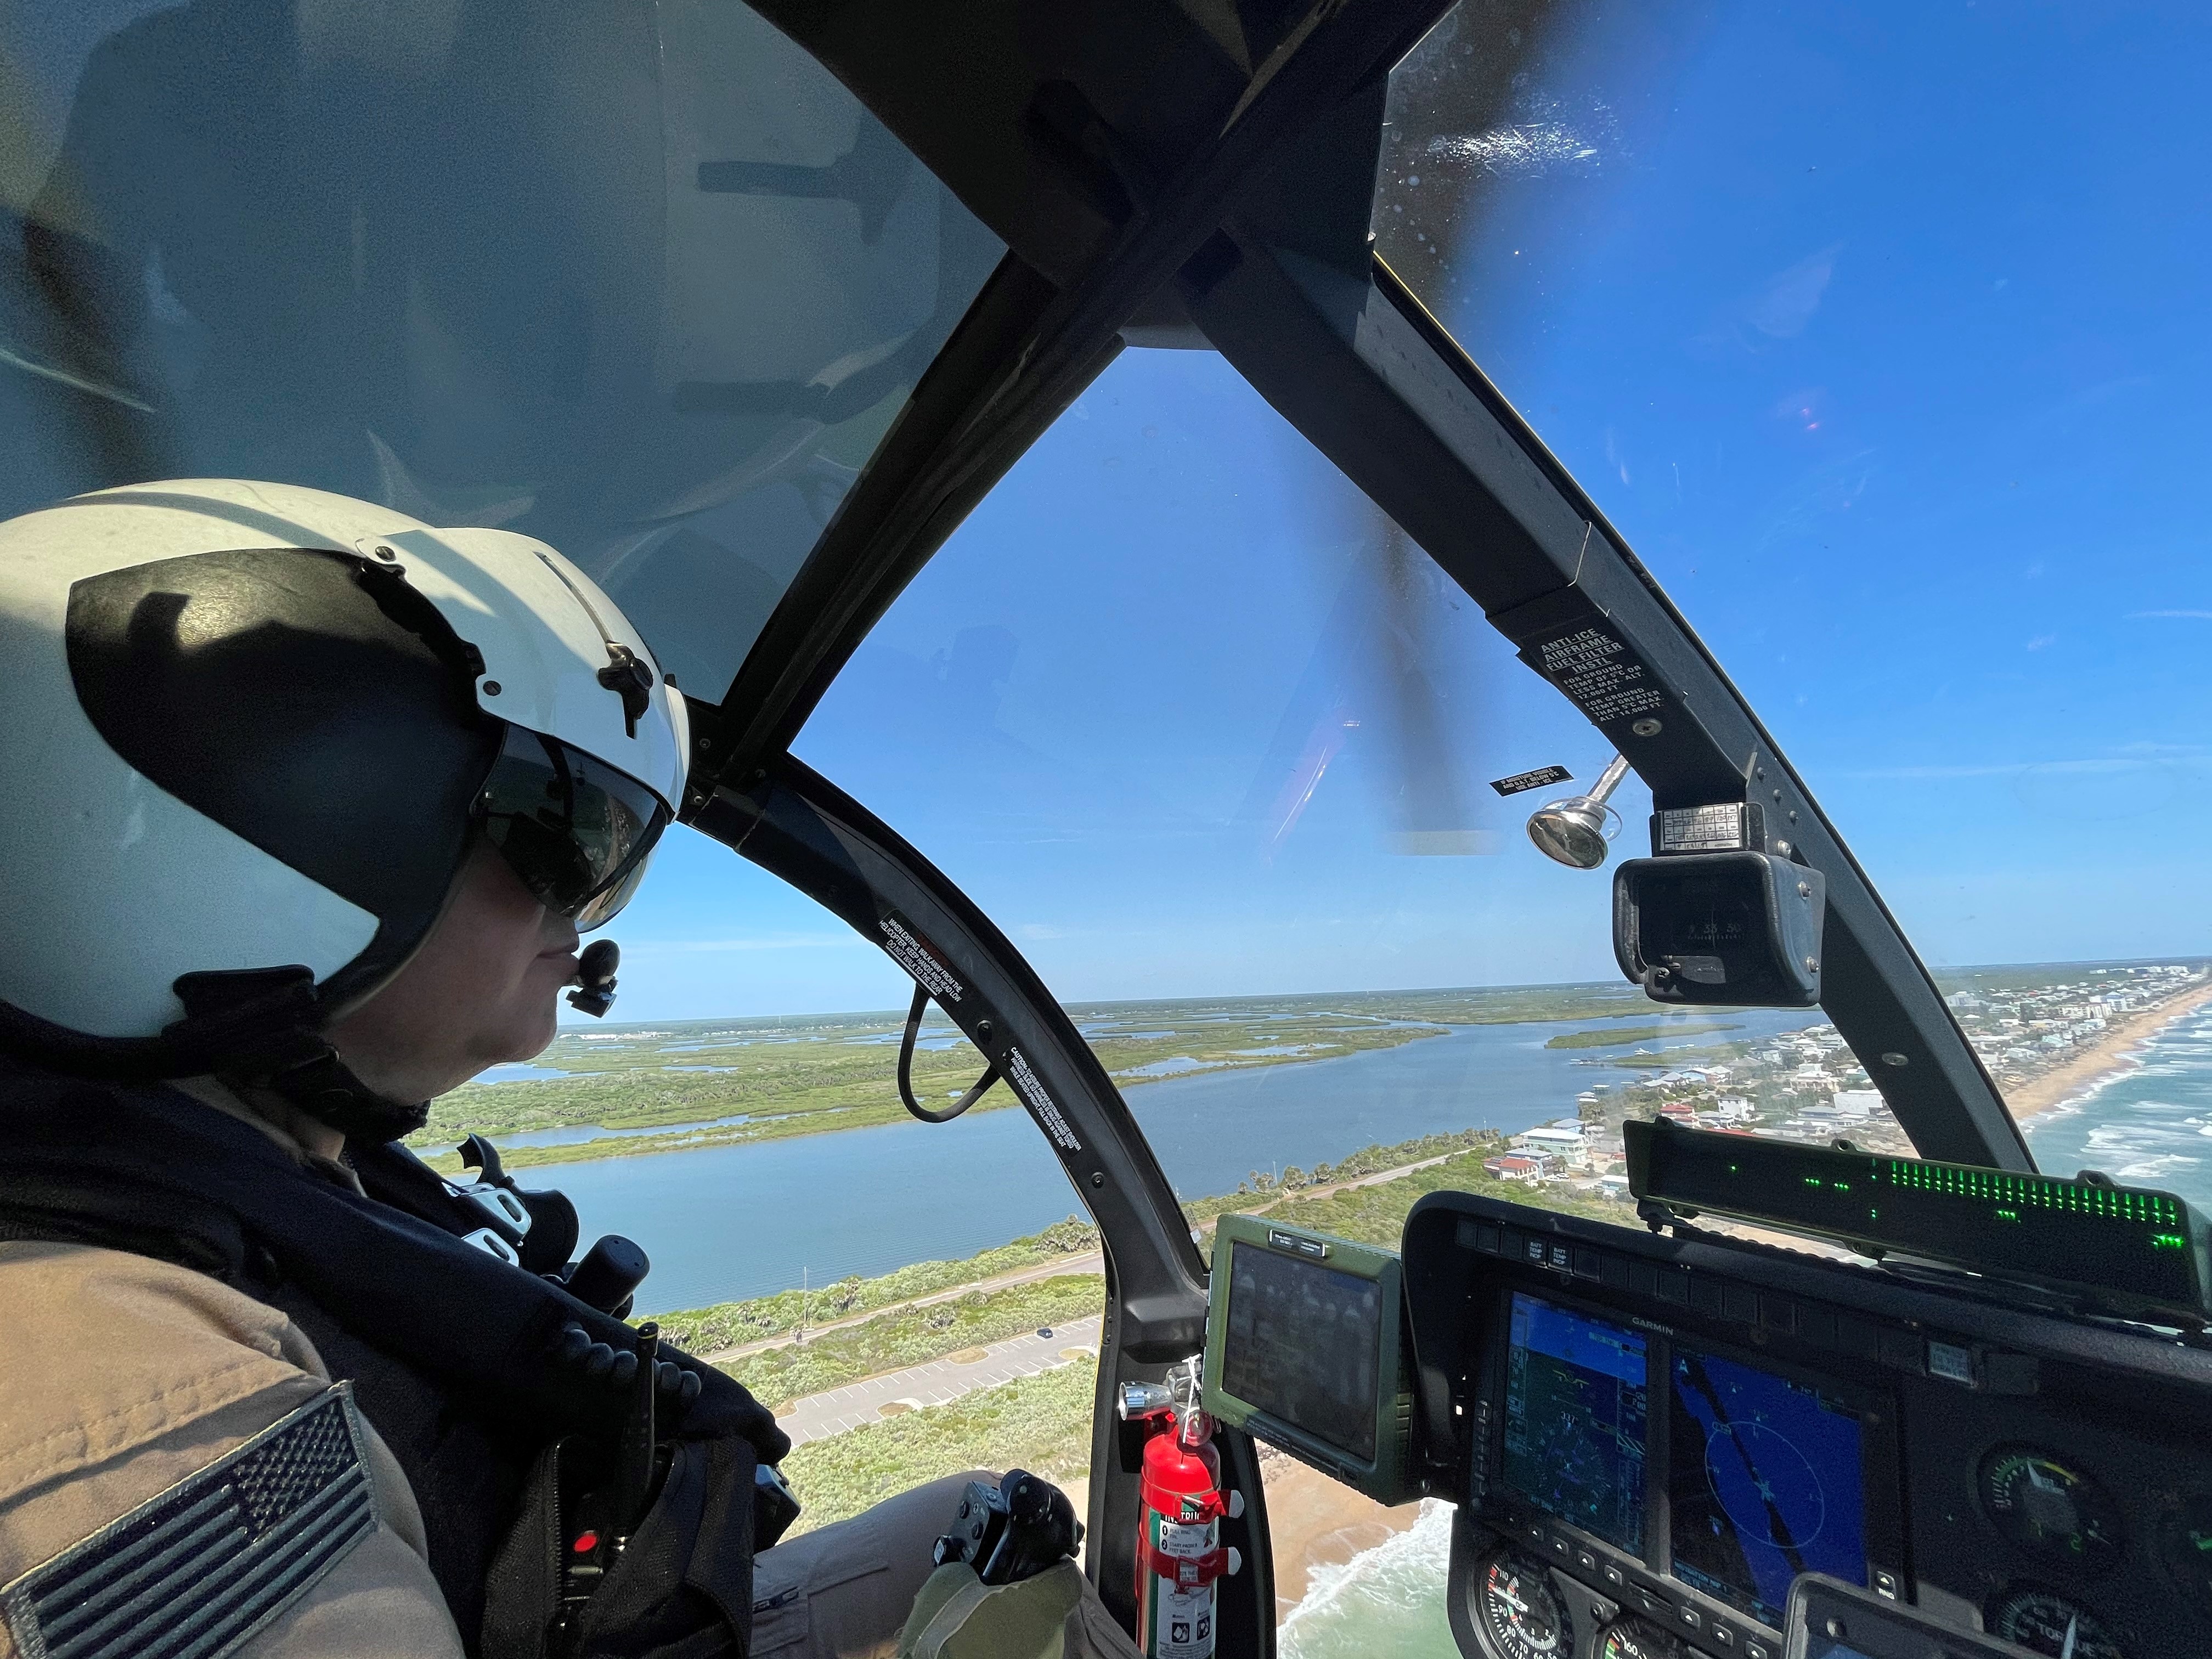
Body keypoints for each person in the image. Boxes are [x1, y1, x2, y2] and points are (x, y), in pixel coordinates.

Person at [0, 479, 990, 1658]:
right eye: (570, 837)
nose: (585, 921)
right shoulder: (129, 1406)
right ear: (284, 809)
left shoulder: (270, 1168)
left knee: (984, 1520)